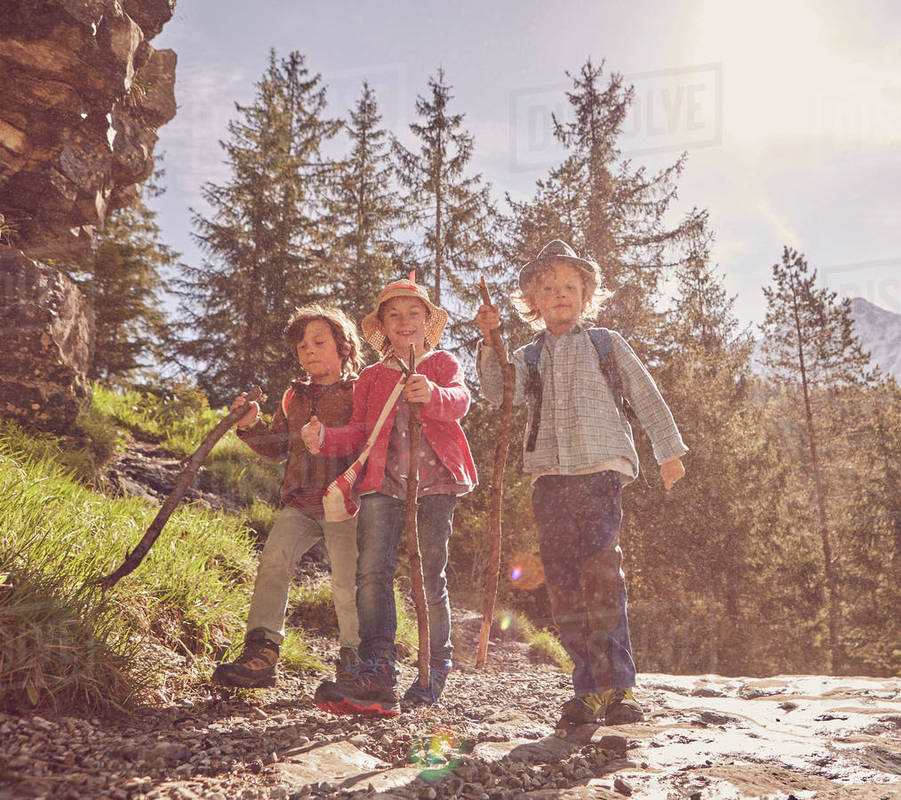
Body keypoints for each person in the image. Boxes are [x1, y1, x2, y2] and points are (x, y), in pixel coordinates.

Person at [475, 239, 686, 728]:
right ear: (533, 302)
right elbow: (495, 395)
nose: (560, 295)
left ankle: (618, 690)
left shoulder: (606, 344)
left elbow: (646, 395)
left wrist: (668, 451)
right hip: (550, 480)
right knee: (565, 585)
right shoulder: (528, 356)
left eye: (570, 286)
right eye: (548, 288)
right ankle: (587, 688)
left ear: (587, 295)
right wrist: (491, 342)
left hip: (599, 475)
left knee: (601, 577)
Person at [305, 279, 476, 716]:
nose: (404, 322)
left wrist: (434, 395)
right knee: (372, 572)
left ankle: (434, 665)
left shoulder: (440, 363)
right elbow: (361, 431)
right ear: (381, 325)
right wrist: (325, 438)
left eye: (413, 314)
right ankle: (378, 667)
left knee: (429, 575)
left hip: (435, 481)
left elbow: (460, 400)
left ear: (426, 322)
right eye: (393, 315)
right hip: (381, 483)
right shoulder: (371, 377)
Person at [211, 305, 364, 689]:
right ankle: (261, 653)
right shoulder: (291, 397)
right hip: (299, 501)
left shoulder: (358, 391)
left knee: (347, 581)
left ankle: (355, 659)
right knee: (274, 561)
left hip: (345, 502)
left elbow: (368, 440)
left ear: (343, 347)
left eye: (318, 342)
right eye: (301, 347)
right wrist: (249, 427)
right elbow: (277, 447)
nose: (309, 351)